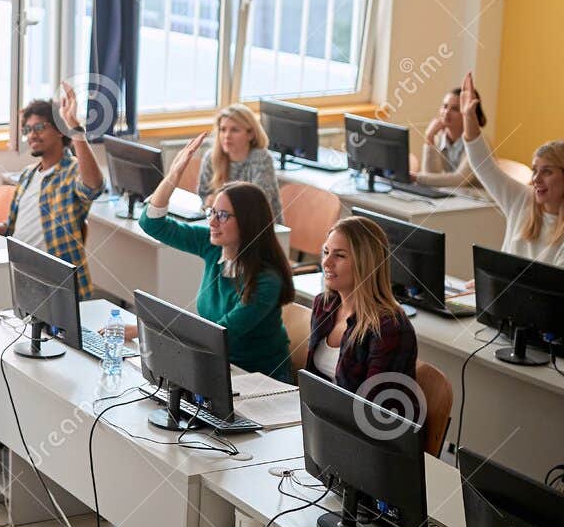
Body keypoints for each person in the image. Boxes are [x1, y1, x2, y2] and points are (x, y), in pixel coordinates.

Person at [139, 132, 295, 381]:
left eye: (222, 215)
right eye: (212, 211)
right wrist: (173, 175)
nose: (212, 221)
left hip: (260, 381)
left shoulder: (267, 280)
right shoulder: (213, 245)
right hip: (217, 367)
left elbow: (220, 334)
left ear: (247, 223)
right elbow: (151, 223)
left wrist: (152, 331)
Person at [0, 83, 105, 297]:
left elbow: (94, 187)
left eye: (39, 128)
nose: (32, 135)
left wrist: (74, 127)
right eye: (28, 130)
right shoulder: (28, 175)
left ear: (59, 130)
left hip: (54, 284)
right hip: (19, 272)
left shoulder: (72, 171)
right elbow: (12, 229)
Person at [459, 72, 564, 273]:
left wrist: (495, 282)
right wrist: (468, 117)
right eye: (535, 171)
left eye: (547, 172)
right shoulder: (522, 200)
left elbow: (555, 293)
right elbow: (484, 166)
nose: (536, 179)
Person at [307, 216, 419, 414]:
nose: (327, 262)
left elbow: (374, 410)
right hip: (327, 419)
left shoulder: (389, 327)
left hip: (368, 435)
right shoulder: (324, 305)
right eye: (326, 252)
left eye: (340, 256)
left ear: (365, 263)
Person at [195, 105, 283, 224]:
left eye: (234, 130)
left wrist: (220, 203)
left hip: (259, 230)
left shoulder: (261, 158)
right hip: (223, 225)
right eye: (223, 129)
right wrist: (212, 203)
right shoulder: (211, 157)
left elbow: (259, 203)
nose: (227, 136)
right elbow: (204, 195)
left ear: (250, 134)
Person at [416, 85, 484, 189]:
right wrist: (429, 138)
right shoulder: (440, 137)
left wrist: (417, 178)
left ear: (468, 114)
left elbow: (459, 180)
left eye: (455, 109)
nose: (446, 112)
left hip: (479, 201)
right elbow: (432, 177)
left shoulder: (478, 143)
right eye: (445, 106)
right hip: (454, 199)